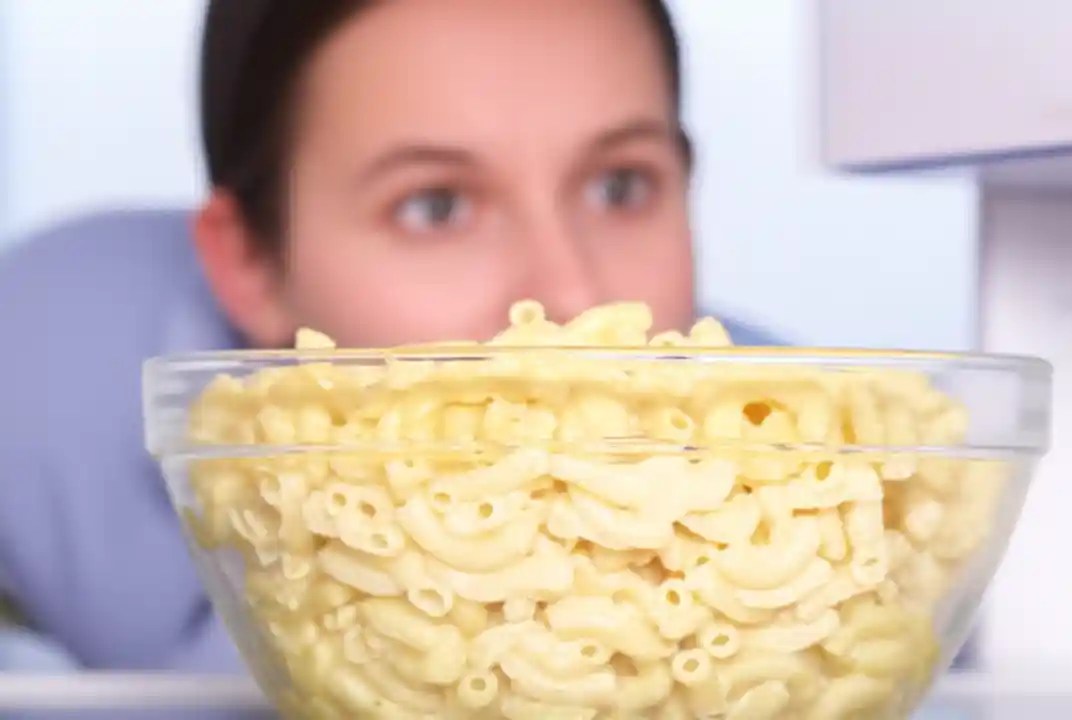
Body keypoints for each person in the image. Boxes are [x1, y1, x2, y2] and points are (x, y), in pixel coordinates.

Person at [0, 0, 774, 690]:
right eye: (435, 206)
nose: (571, 293)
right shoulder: (39, 381)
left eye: (621, 186)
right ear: (249, 266)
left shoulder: (835, 478)